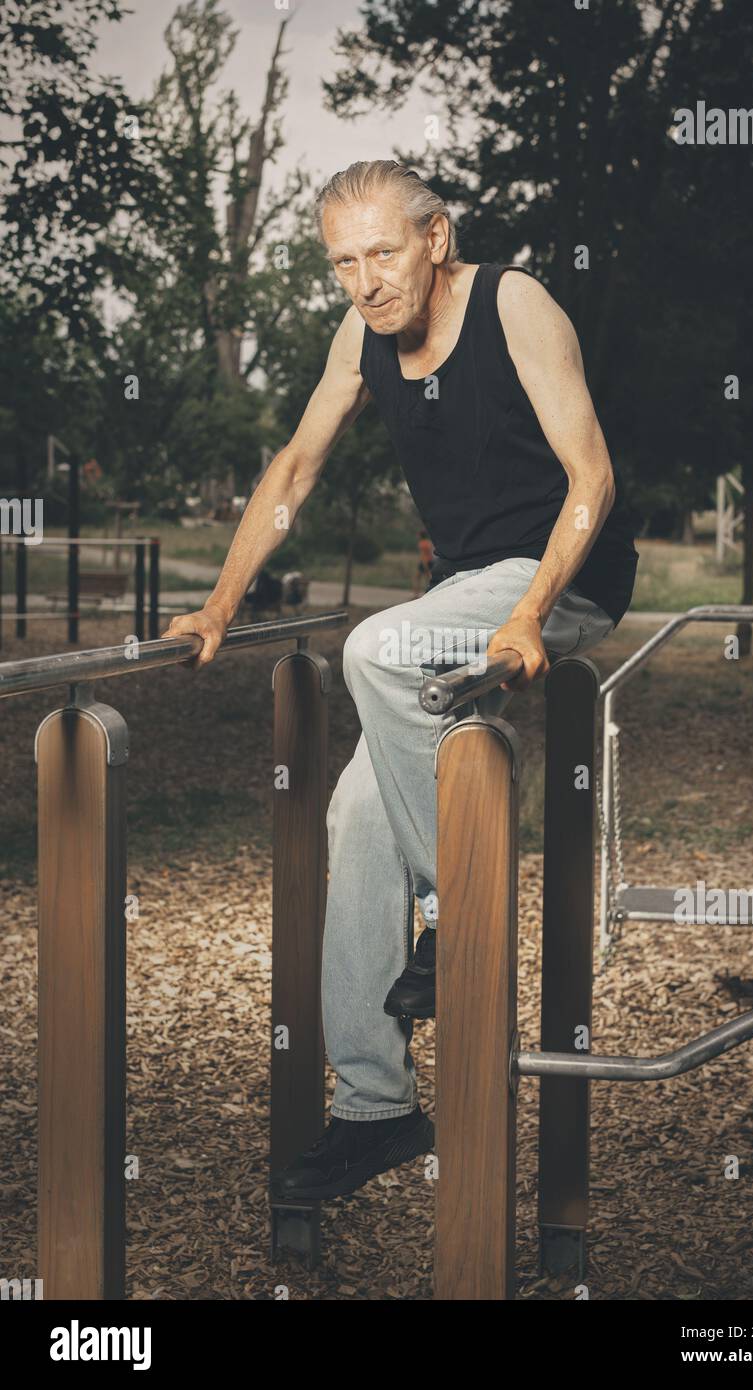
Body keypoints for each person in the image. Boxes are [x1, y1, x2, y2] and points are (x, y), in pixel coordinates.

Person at [163, 159, 639, 1202]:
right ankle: (375, 1107)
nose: (365, 281)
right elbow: (292, 471)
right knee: (354, 820)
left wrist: (527, 616)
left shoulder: (512, 303)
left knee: (375, 649)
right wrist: (219, 604)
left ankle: (456, 922)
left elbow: (589, 477)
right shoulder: (360, 339)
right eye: (342, 262)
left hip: (565, 573)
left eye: (382, 252)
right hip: (471, 588)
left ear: (436, 237)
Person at [413, 529, 434, 597]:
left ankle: (416, 595)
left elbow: (423, 555)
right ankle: (429, 593)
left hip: (424, 562)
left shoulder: (422, 543)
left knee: (417, 578)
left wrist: (425, 565)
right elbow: (431, 552)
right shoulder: (429, 542)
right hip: (430, 561)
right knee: (427, 578)